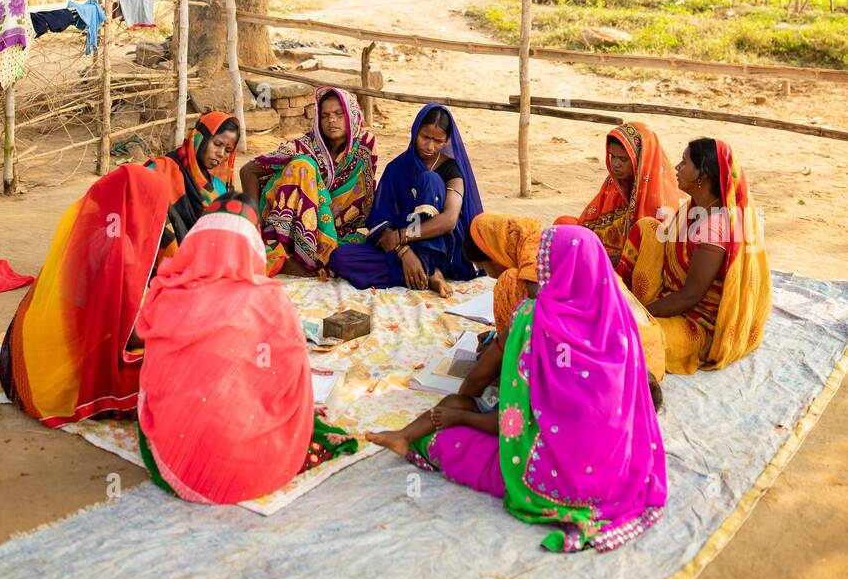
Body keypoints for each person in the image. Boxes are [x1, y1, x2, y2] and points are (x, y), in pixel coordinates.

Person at [368, 224, 667, 554]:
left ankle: (419, 435)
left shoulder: (536, 319)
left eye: (545, 263)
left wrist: (463, 415)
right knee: (463, 417)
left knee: (443, 440)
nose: (538, 271)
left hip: (553, 471)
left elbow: (514, 415)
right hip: (615, 471)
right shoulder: (619, 317)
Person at [136, 194, 357, 505]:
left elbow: (153, 369)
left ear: (199, 239)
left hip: (179, 456)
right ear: (252, 244)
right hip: (253, 461)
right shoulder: (270, 301)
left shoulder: (169, 295)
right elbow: (291, 380)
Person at [0, 165, 172, 426]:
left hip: (30, 347)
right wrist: (171, 331)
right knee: (170, 369)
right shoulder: (121, 248)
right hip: (78, 359)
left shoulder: (88, 229)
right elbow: (128, 333)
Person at [625, 137, 772, 374]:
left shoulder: (715, 227)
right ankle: (627, 304)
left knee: (630, 340)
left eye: (684, 162)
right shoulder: (693, 208)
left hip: (698, 322)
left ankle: (634, 313)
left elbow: (691, 295)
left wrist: (641, 314)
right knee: (648, 228)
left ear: (702, 176)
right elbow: (666, 245)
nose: (676, 167)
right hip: (673, 294)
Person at [464, 211, 666, 381]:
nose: (487, 274)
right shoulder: (541, 241)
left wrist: (500, 348)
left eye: (482, 266)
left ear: (494, 253)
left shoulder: (531, 260)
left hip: (617, 366)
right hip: (643, 353)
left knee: (509, 282)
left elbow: (539, 310)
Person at [329, 104, 483, 296]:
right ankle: (425, 274)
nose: (430, 146)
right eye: (425, 137)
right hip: (399, 246)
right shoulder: (398, 167)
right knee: (340, 258)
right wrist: (403, 251)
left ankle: (431, 267)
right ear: (415, 130)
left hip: (442, 249)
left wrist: (401, 236)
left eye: (438, 141)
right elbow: (380, 221)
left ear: (447, 141)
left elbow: (449, 220)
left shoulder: (451, 169)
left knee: (430, 179)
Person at [240, 87, 377, 277]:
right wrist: (252, 224)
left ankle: (314, 250)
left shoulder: (365, 146)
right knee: (302, 165)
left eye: (339, 114)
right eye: (325, 115)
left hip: (336, 230)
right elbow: (247, 170)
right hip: (288, 225)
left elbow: (365, 194)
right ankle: (288, 252)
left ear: (351, 115)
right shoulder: (303, 147)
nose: (331, 120)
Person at [555, 121, 680, 270]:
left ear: (640, 159)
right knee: (562, 224)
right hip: (606, 251)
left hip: (634, 260)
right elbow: (590, 222)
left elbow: (652, 250)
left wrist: (601, 260)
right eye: (612, 157)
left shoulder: (658, 192)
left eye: (623, 159)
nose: (615, 164)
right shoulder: (613, 182)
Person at [144, 111, 240, 255]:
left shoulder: (219, 187)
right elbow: (136, 188)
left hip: (205, 258)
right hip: (160, 256)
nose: (221, 153)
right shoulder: (164, 169)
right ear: (200, 138)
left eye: (228, 150)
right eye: (217, 144)